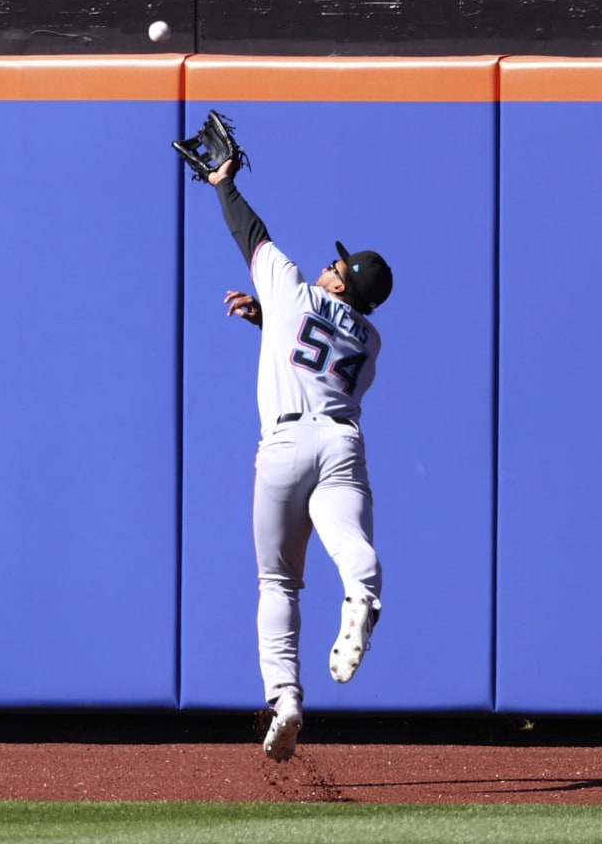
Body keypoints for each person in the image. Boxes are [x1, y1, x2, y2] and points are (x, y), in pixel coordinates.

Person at [203, 157, 393, 762]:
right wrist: (269, 321)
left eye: (337, 265)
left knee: (278, 579)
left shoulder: (292, 288)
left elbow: (250, 233)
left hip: (285, 446)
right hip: (340, 442)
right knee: (346, 539)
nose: (328, 264)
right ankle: (362, 594)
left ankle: (284, 698)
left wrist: (223, 183)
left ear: (342, 283)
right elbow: (316, 355)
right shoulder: (371, 340)